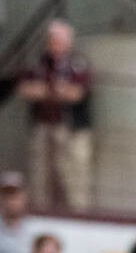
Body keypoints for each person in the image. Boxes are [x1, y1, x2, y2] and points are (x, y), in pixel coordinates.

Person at [18, 20, 93, 211]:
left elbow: (76, 93)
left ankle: (77, 209)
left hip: (70, 126)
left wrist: (47, 90)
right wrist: (55, 90)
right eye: (52, 40)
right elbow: (25, 89)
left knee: (71, 170)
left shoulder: (77, 63)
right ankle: (41, 207)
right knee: (40, 169)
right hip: (44, 123)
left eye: (59, 40)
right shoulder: (39, 62)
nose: (55, 44)